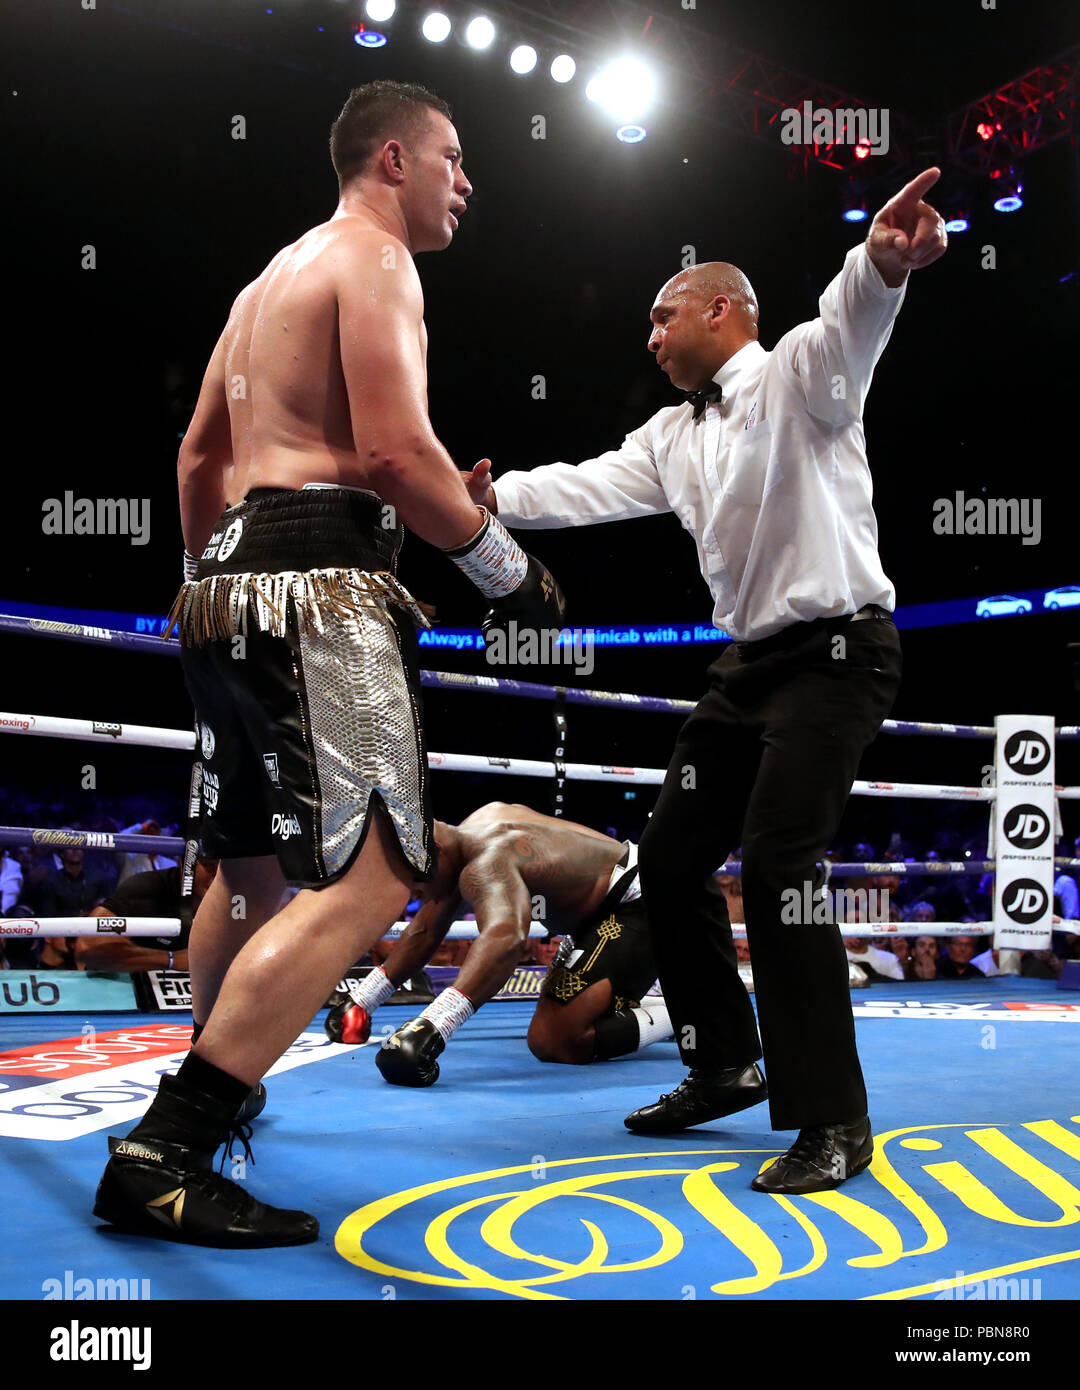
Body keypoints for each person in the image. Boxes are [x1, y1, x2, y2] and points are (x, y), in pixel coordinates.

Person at [92, 80, 565, 1250]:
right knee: (378, 873)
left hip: (225, 589)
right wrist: (511, 570)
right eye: (455, 157)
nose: (470, 180)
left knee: (243, 865)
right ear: (392, 159)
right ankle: (172, 1145)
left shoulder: (267, 283)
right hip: (321, 592)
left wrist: (222, 575)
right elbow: (404, 454)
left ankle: (221, 1083)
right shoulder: (378, 258)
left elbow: (202, 452)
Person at [463, 169, 948, 1193]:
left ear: (723, 309)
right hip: (748, 670)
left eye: (663, 314)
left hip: (837, 655)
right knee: (671, 862)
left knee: (779, 864)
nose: (649, 335)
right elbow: (584, 486)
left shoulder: (801, 377)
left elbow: (848, 322)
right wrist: (489, 498)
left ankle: (834, 1117)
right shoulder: (672, 436)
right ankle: (722, 1059)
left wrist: (883, 261)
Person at [325, 802, 672, 1082]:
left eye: (415, 881)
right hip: (598, 913)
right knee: (554, 1029)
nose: (413, 893)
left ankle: (683, 1012)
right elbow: (426, 929)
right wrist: (363, 999)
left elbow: (506, 938)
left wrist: (434, 1026)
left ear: (437, 851)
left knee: (557, 1041)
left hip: (644, 900)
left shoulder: (488, 860)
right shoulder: (467, 835)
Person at [77, 852, 219, 974]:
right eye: (208, 865)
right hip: (129, 992)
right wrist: (171, 959)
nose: (218, 873)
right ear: (184, 864)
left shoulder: (236, 897)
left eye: (224, 866)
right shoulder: (148, 888)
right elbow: (88, 947)